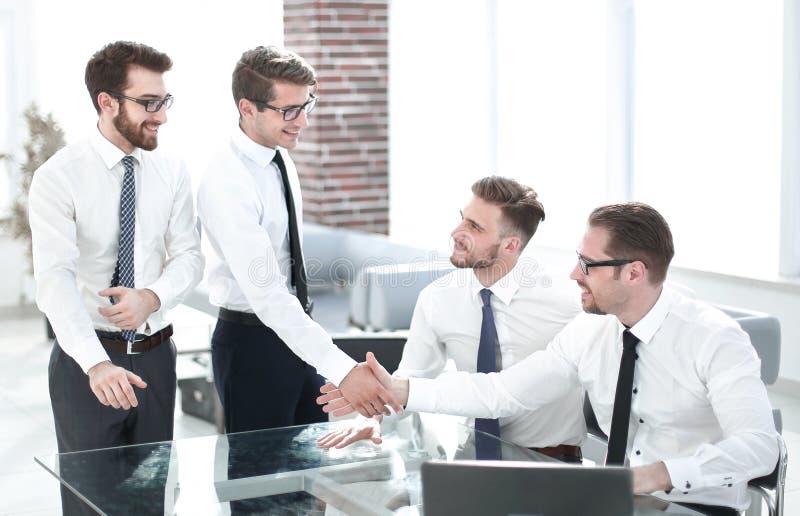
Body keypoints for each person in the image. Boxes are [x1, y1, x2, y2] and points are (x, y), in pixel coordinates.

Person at [320, 202, 779, 515]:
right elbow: (504, 392)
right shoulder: (592, 328)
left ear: (634, 272)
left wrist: (653, 476)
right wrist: (402, 389)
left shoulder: (715, 339)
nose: (573, 273)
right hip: (613, 503)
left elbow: (760, 447)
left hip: (695, 506)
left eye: (588, 264)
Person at [28, 41, 204, 514]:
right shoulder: (57, 178)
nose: (162, 115)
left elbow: (190, 256)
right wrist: (95, 364)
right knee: (92, 504)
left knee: (151, 499)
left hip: (156, 359)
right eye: (148, 103)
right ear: (107, 102)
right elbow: (54, 280)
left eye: (165, 101)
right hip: (88, 363)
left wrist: (152, 296)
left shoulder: (172, 170)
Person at [197, 45, 399, 434]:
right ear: (247, 108)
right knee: (262, 484)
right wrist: (343, 369)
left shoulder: (278, 156)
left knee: (309, 466)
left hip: (297, 331)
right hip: (252, 344)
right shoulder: (228, 180)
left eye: (307, 105)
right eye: (289, 111)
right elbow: (268, 294)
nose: (303, 122)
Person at [318, 176, 585, 462]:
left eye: (475, 227)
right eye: (462, 219)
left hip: (550, 462)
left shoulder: (568, 300)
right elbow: (414, 376)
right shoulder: (438, 298)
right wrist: (374, 416)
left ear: (510, 245)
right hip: (470, 457)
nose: (457, 232)